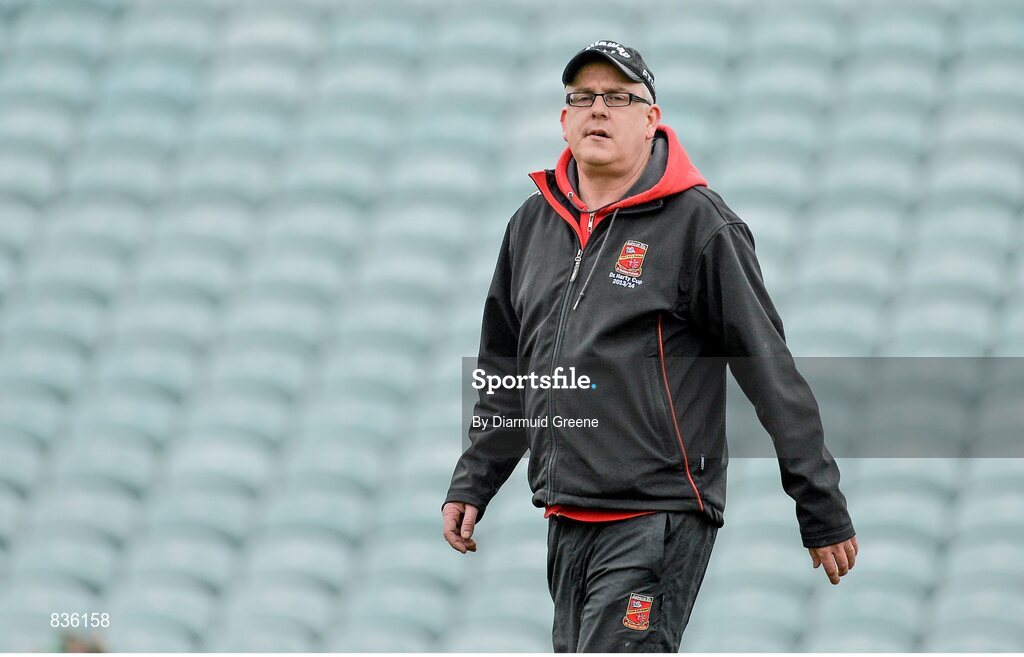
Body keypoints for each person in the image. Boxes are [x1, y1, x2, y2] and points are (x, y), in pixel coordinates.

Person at [441, 40, 858, 652]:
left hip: (656, 514)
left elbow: (770, 371)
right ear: (563, 120)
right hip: (566, 513)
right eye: (582, 98)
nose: (598, 110)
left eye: (618, 97)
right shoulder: (530, 226)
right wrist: (475, 479)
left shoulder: (700, 226)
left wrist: (818, 503)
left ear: (651, 119)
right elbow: (506, 365)